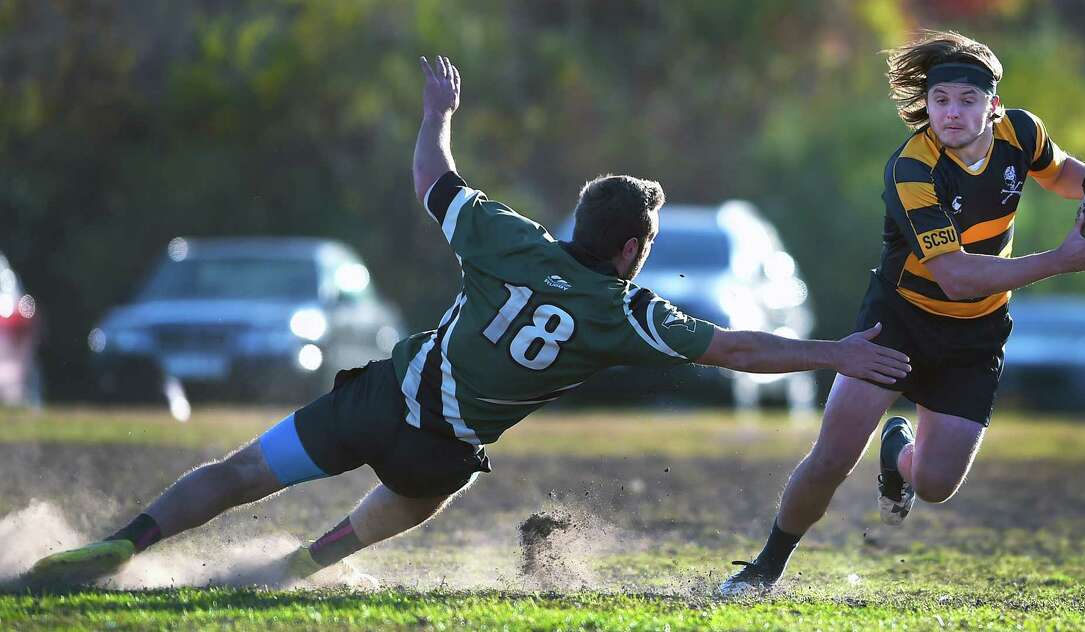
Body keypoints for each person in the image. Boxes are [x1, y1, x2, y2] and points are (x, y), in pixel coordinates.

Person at [28, 55, 911, 588]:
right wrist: (833, 352)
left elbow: (432, 178)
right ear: (633, 248)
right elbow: (736, 347)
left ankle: (121, 544)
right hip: (440, 453)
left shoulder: (509, 239)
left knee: (239, 474)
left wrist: (437, 115)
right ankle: (298, 567)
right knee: (415, 497)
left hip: (377, 403)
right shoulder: (625, 311)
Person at [719, 30, 1085, 597]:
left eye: (966, 100)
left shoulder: (1022, 133)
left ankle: (898, 453)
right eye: (941, 100)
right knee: (833, 458)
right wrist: (1062, 259)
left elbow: (1058, 172)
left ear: (993, 106)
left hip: (977, 335)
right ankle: (765, 567)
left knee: (936, 484)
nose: (951, 112)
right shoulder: (912, 168)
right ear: (929, 105)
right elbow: (955, 277)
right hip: (898, 322)